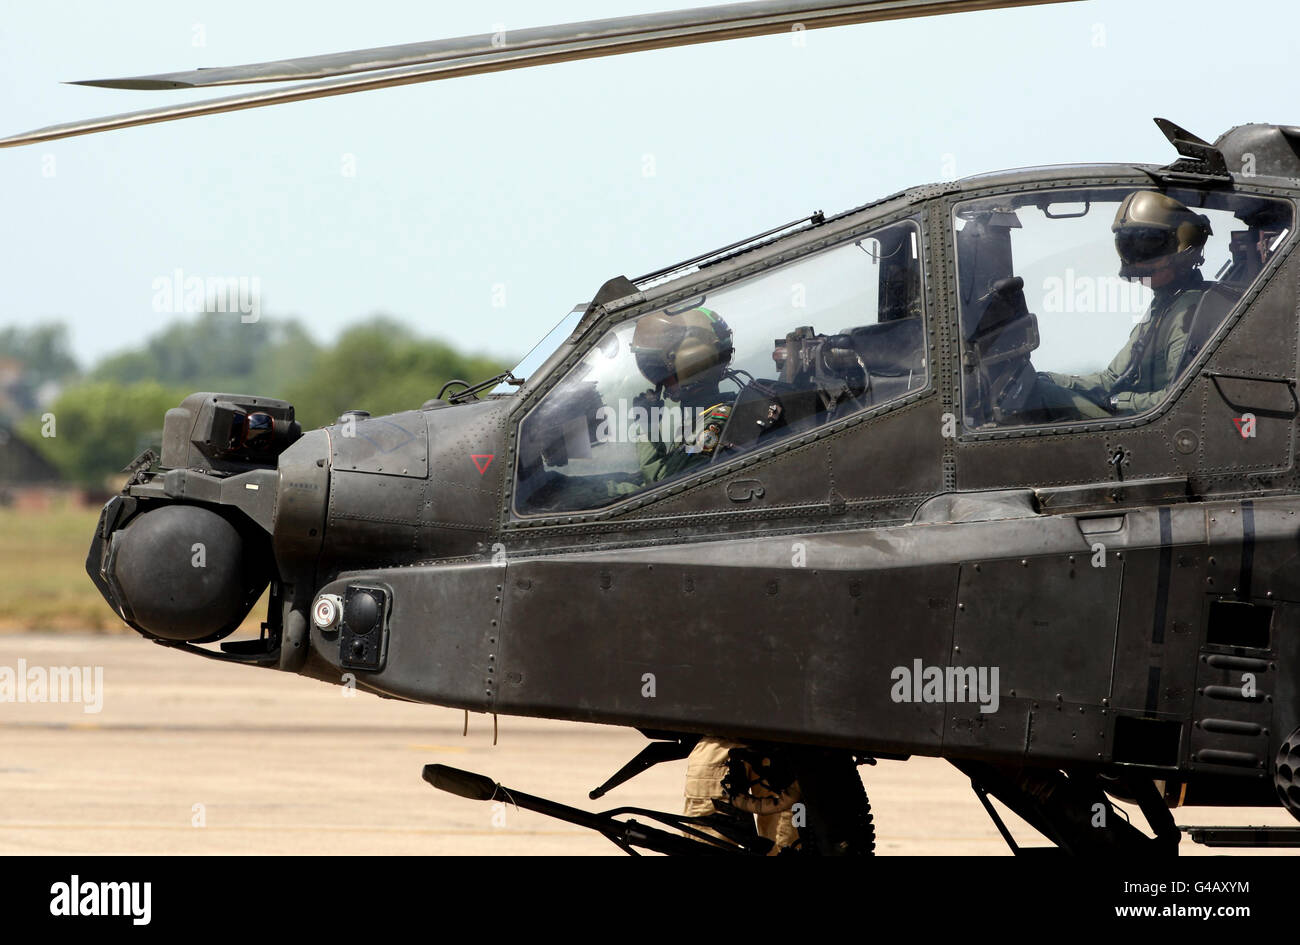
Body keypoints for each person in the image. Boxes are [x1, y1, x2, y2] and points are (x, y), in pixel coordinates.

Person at [1037, 191, 1212, 418]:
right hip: (1136, 419)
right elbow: (1111, 379)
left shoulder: (1188, 315)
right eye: (1127, 246)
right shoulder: (1165, 305)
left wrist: (1116, 401)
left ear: (1182, 249)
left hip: (1146, 427)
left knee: (1044, 399)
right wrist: (1048, 379)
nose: (1135, 260)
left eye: (1147, 247)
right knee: (1043, 389)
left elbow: (1183, 398)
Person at [626, 306, 736, 484]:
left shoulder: (713, 422)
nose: (660, 382)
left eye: (663, 373)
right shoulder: (700, 418)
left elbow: (661, 484)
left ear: (690, 367)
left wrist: (648, 427)